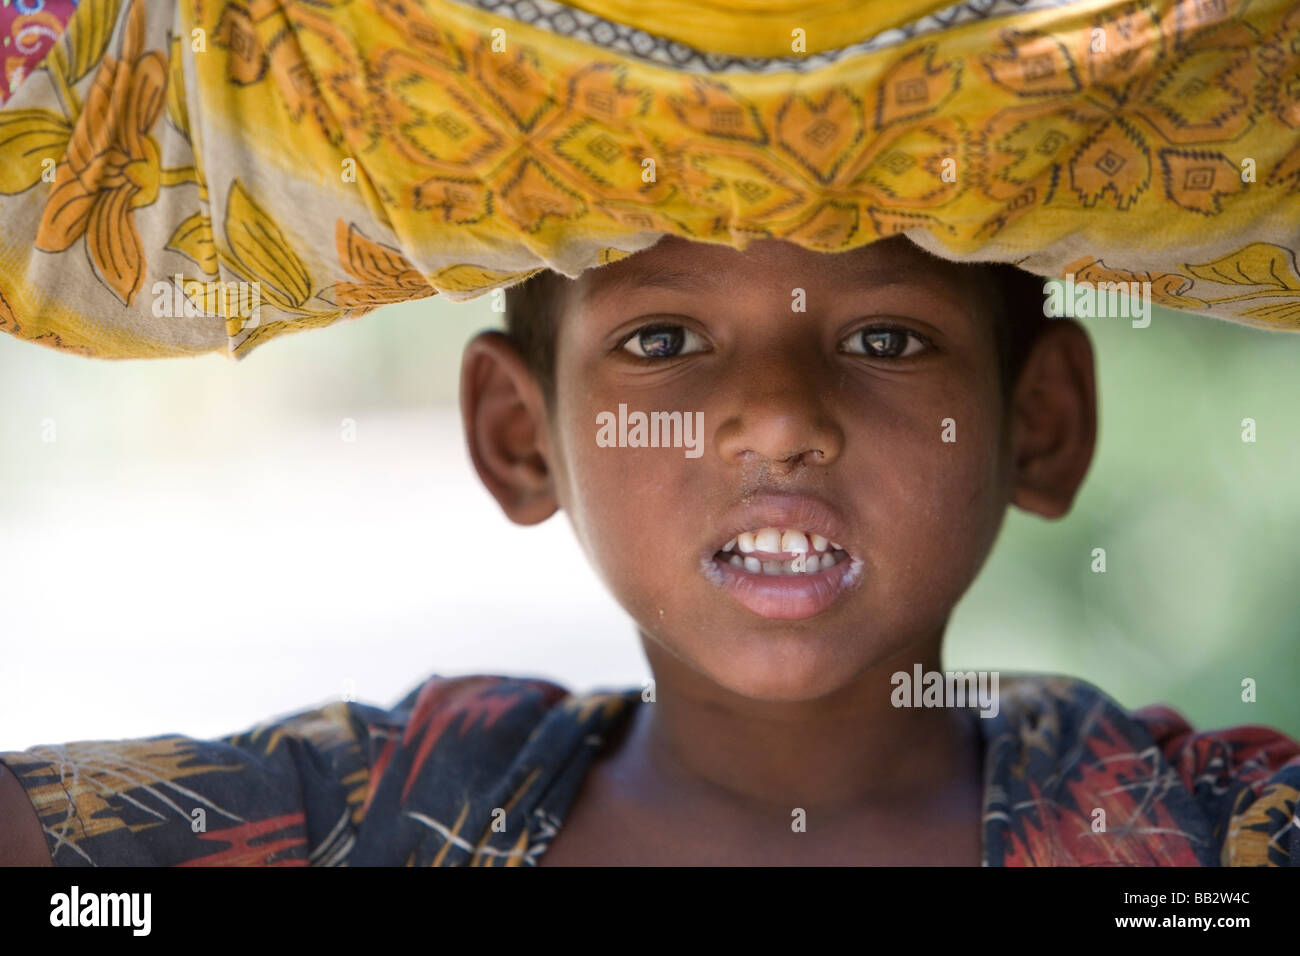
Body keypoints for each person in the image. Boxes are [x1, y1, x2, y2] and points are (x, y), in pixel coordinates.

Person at [3, 232, 1298, 866]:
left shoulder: (1204, 836)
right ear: (522, 437)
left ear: (1042, 425)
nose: (782, 421)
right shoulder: (383, 811)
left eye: (888, 340)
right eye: (665, 341)